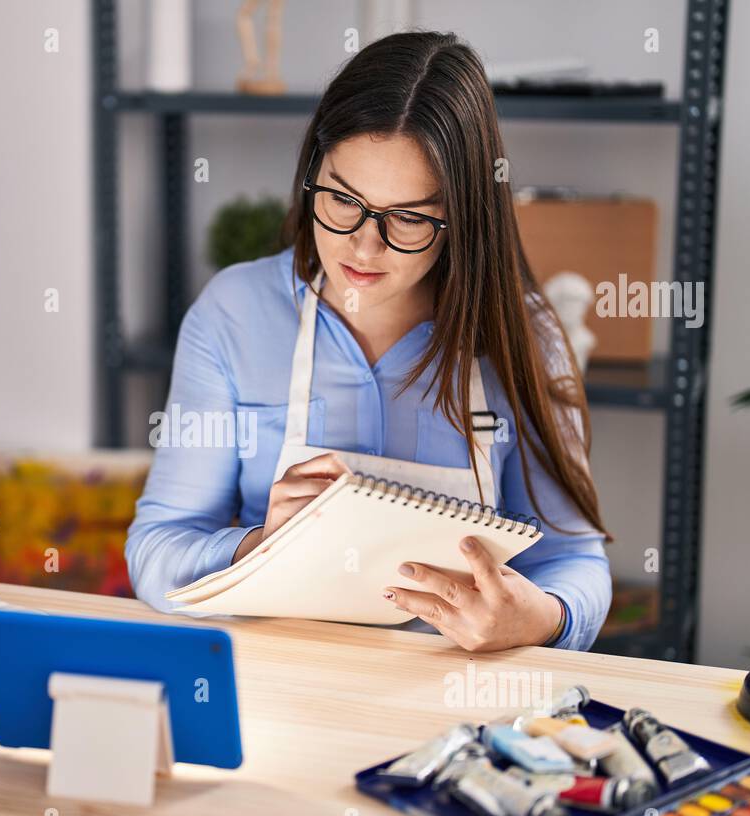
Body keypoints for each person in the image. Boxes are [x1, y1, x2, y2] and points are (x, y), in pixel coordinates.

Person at [126, 31, 611, 652]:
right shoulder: (235, 314)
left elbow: (577, 563)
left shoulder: (524, 334)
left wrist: (540, 619)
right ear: (312, 173)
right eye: (342, 198)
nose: (363, 245)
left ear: (463, 215)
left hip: (449, 696)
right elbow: (156, 553)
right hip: (276, 691)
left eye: (408, 216)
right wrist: (259, 545)